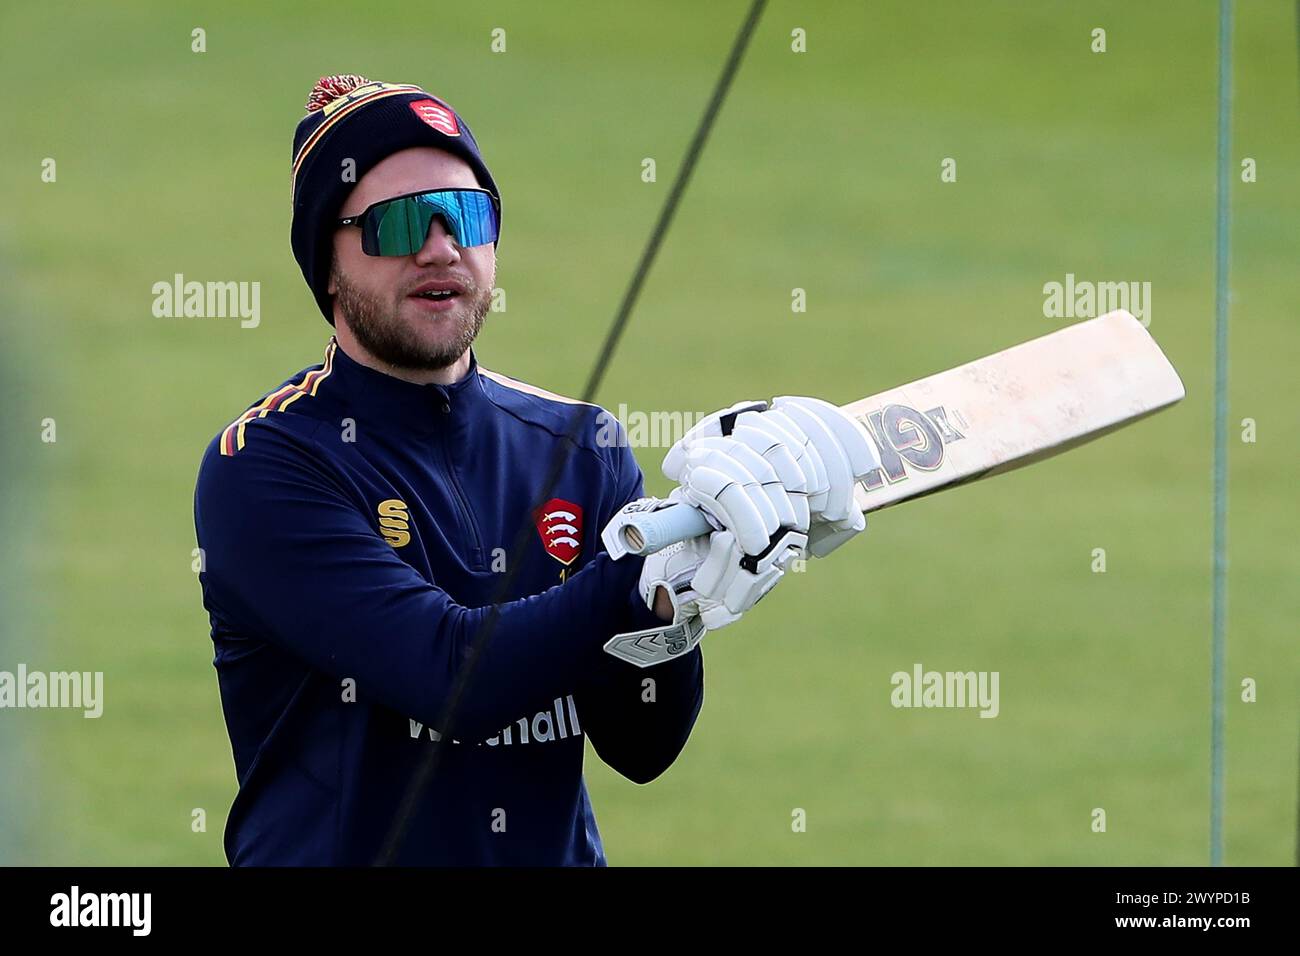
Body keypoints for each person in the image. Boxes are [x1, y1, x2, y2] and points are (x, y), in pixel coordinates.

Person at [193, 74, 871, 865]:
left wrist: (674, 604)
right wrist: (632, 570)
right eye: (399, 222)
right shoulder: (269, 466)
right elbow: (452, 676)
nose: (440, 246)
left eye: (468, 215)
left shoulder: (581, 444)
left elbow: (642, 745)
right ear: (329, 261)